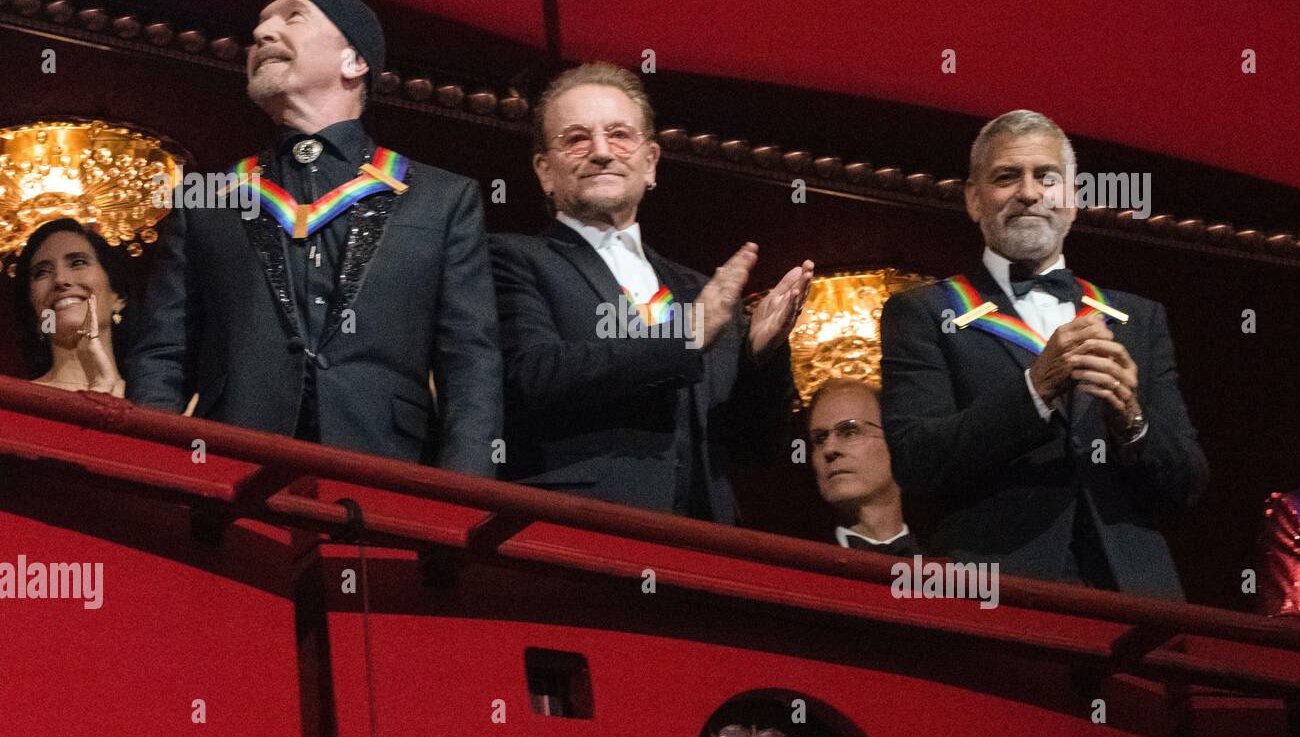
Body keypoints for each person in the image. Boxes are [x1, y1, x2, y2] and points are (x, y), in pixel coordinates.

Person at [129, 0, 501, 474]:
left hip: (389, 476)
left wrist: (463, 498)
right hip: (232, 477)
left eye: (293, 16)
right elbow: (162, 354)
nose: (262, 32)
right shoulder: (206, 200)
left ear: (354, 61)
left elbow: (470, 364)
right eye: (261, 23)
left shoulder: (442, 200)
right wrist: (159, 474)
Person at [880, 109, 1208, 599]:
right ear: (973, 199)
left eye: (1046, 177)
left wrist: (1133, 423)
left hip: (1136, 600)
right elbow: (917, 462)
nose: (1029, 192)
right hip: (995, 592)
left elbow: (1188, 487)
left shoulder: (1137, 318)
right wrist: (1035, 389)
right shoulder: (924, 311)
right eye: (1007, 176)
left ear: (1072, 200)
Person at [490, 62, 813, 523]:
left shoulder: (702, 291)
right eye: (577, 138)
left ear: (651, 162)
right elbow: (532, 378)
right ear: (544, 171)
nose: (601, 151)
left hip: (706, 546)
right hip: (578, 530)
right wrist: (685, 338)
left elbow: (753, 448)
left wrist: (761, 358)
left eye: (619, 134)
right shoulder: (510, 259)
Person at [15, 218, 128, 396]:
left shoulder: (160, 404)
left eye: (78, 263)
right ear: (35, 317)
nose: (60, 279)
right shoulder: (16, 405)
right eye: (41, 272)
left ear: (118, 296)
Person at [807, 379, 914, 556]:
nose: (829, 449)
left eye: (850, 432)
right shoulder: (798, 565)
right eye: (820, 438)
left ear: (895, 442)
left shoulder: (948, 572)